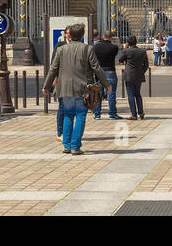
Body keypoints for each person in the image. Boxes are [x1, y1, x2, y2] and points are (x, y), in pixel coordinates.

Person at [42, 22, 102, 154]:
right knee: (81, 115)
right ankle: (75, 146)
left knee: (68, 115)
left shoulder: (60, 50)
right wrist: (106, 85)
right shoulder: (88, 49)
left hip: (65, 88)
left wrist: (46, 86)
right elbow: (96, 68)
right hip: (82, 89)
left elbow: (53, 69)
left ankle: (67, 145)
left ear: (69, 36)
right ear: (82, 35)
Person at [117, 35, 149, 120]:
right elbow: (146, 65)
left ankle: (134, 114)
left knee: (130, 94)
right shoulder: (142, 51)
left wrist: (125, 48)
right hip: (139, 75)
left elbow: (120, 60)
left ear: (128, 43)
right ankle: (141, 113)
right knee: (138, 94)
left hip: (129, 75)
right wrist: (142, 72)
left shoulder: (127, 51)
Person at [92, 31, 121, 120]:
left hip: (99, 71)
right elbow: (115, 56)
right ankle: (112, 114)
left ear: (103, 36)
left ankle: (97, 114)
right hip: (110, 70)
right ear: (111, 37)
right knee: (111, 93)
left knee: (98, 93)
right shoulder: (114, 48)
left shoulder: (96, 47)